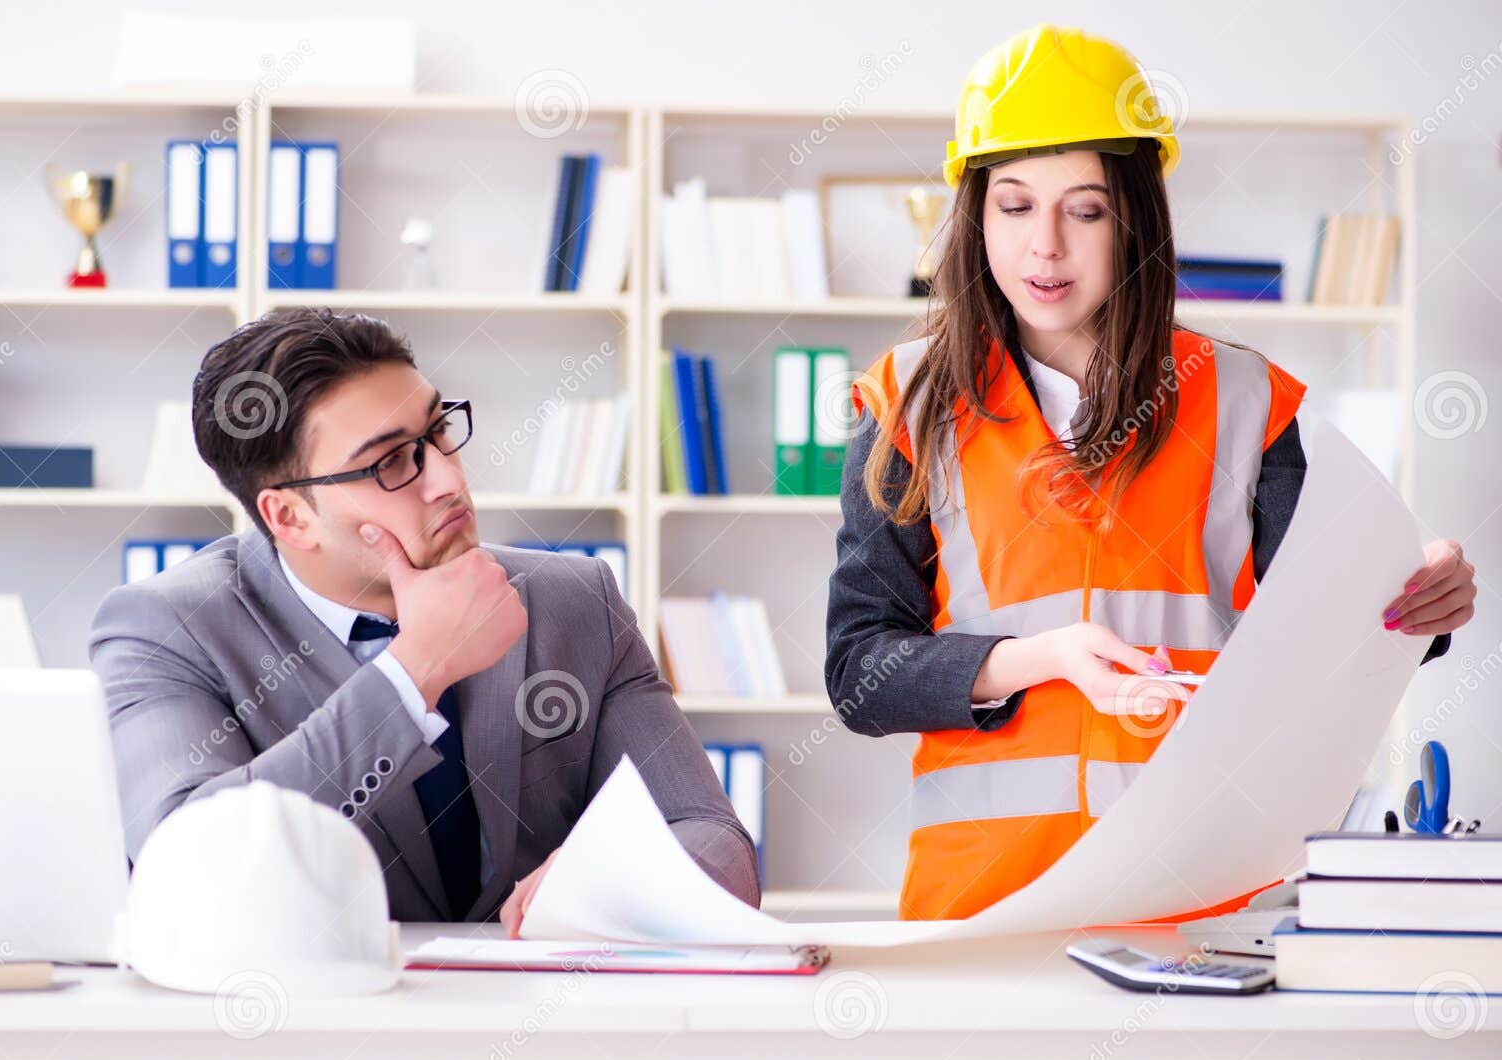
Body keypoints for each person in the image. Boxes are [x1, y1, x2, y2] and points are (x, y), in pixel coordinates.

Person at [825, 25, 1475, 923]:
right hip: (982, 909)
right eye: (1014, 206)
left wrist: (1425, 599)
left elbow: (1343, 622)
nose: (1045, 246)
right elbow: (859, 672)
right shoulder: (908, 403)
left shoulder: (1242, 397)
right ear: (976, 217)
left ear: (1134, 217)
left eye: (1085, 210)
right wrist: (1041, 660)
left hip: (1197, 906)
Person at [90, 307, 759, 932]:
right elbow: (187, 869)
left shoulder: (575, 600)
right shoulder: (165, 629)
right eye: (389, 462)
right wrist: (414, 673)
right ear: (289, 517)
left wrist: (617, 877)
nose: (447, 480)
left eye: (438, 431)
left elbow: (716, 840)